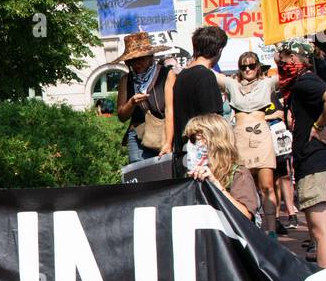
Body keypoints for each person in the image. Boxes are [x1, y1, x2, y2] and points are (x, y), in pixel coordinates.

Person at [276, 40, 326, 267]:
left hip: (315, 164)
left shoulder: (305, 81)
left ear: (292, 59)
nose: (278, 63)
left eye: (281, 58)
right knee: (324, 229)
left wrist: (319, 125)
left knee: (322, 231)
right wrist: (324, 123)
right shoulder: (306, 82)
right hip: (318, 163)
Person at [218, 53, 282, 230]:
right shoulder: (232, 84)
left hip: (261, 135)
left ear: (258, 66)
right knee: (242, 184)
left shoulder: (266, 83)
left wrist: (280, 59)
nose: (247, 69)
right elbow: (207, 71)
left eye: (252, 65)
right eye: (243, 66)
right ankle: (248, 228)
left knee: (267, 185)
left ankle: (271, 231)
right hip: (239, 137)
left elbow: (289, 75)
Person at [164, 25, 227, 176]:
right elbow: (212, 122)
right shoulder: (206, 76)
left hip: (184, 155)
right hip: (202, 161)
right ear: (218, 50)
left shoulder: (182, 76)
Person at [181, 114, 260, 223]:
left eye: (196, 139)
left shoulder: (238, 173)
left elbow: (245, 216)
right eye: (190, 139)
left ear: (216, 142)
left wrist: (216, 184)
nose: (191, 145)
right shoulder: (190, 174)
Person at [116, 33, 170, 165]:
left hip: (163, 133)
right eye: (133, 60)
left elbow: (170, 110)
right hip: (138, 134)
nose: (137, 63)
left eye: (141, 59)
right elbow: (122, 116)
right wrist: (132, 102)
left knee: (164, 178)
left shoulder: (166, 74)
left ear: (151, 57)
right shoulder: (126, 80)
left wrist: (169, 142)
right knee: (139, 177)